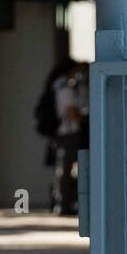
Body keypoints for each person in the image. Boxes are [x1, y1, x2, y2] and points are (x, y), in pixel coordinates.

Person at [50, 60, 89, 214]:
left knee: (63, 168)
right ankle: (63, 203)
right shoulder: (65, 89)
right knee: (66, 169)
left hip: (63, 132)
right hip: (68, 132)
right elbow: (73, 115)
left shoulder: (58, 86)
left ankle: (62, 201)